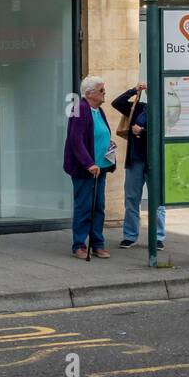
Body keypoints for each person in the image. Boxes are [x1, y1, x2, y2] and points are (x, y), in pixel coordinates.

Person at [64, 75, 118, 259]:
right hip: (86, 168)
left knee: (98, 206)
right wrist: (88, 163)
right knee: (84, 207)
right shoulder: (80, 109)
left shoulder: (97, 110)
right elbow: (75, 140)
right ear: (89, 93)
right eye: (101, 90)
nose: (104, 93)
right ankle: (79, 245)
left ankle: (98, 244)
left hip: (100, 167)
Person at [112, 82, 165, 249]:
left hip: (155, 161)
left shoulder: (166, 110)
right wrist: (134, 90)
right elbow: (117, 103)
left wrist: (141, 132)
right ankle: (130, 235)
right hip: (135, 160)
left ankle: (158, 237)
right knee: (131, 199)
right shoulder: (139, 107)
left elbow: (164, 133)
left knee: (158, 200)